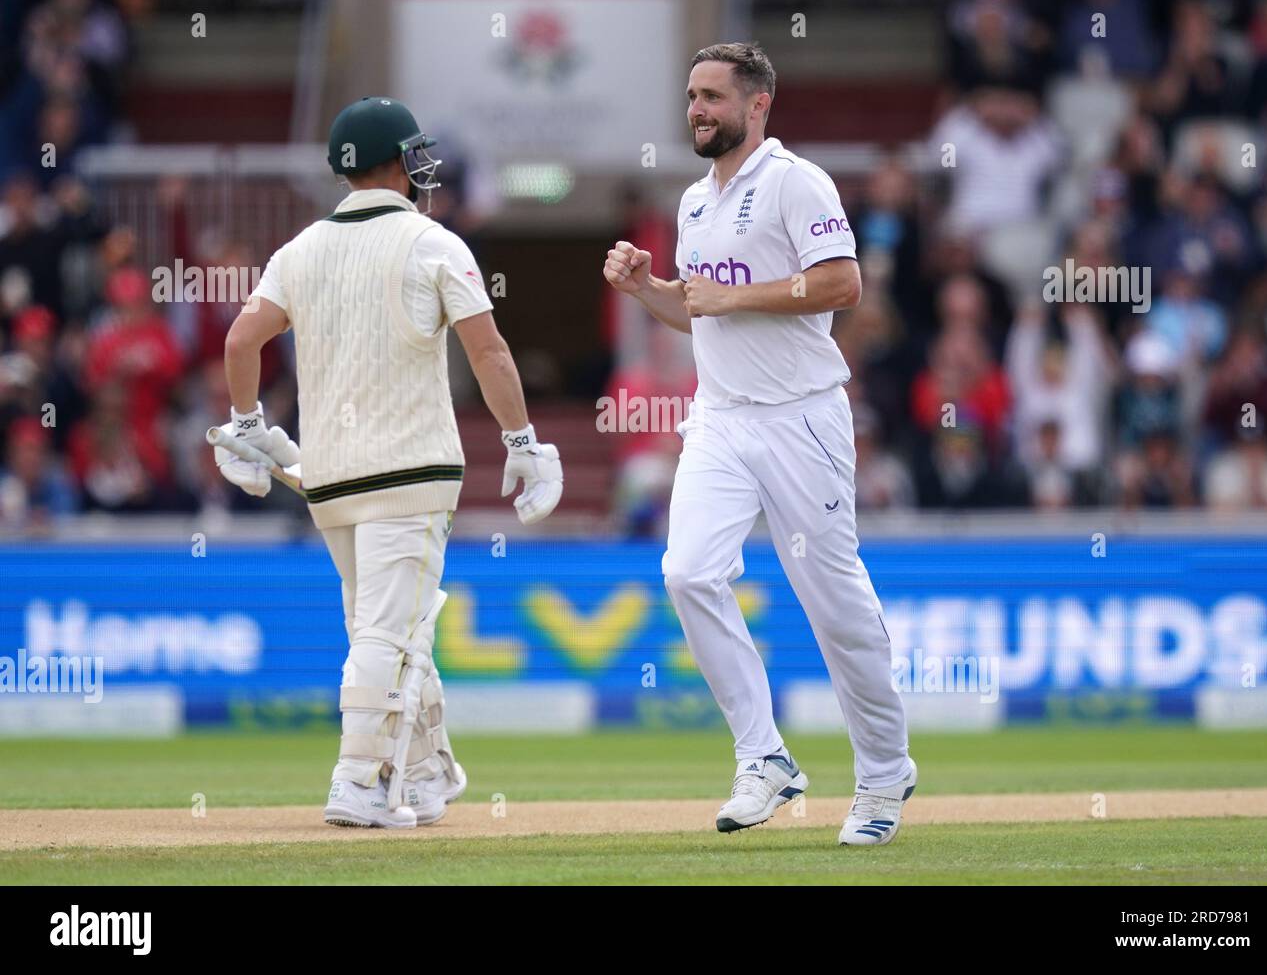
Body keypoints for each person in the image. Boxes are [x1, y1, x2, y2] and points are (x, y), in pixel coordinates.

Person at [216, 97, 563, 829]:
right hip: (408, 471)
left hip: (327, 477)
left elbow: (241, 342)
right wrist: (523, 441)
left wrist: (249, 424)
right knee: (385, 632)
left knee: (390, 626)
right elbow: (489, 350)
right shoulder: (434, 242)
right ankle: (358, 780)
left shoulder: (298, 248)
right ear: (398, 162)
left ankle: (425, 770)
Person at [603, 43, 916, 848]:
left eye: (713, 96)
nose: (698, 110)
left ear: (758, 104)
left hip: (802, 417)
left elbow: (843, 283)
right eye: (691, 96)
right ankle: (764, 755)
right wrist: (647, 289)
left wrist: (726, 294)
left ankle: (884, 771)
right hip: (721, 418)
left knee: (832, 603)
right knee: (687, 571)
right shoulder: (694, 203)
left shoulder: (794, 181)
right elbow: (700, 309)